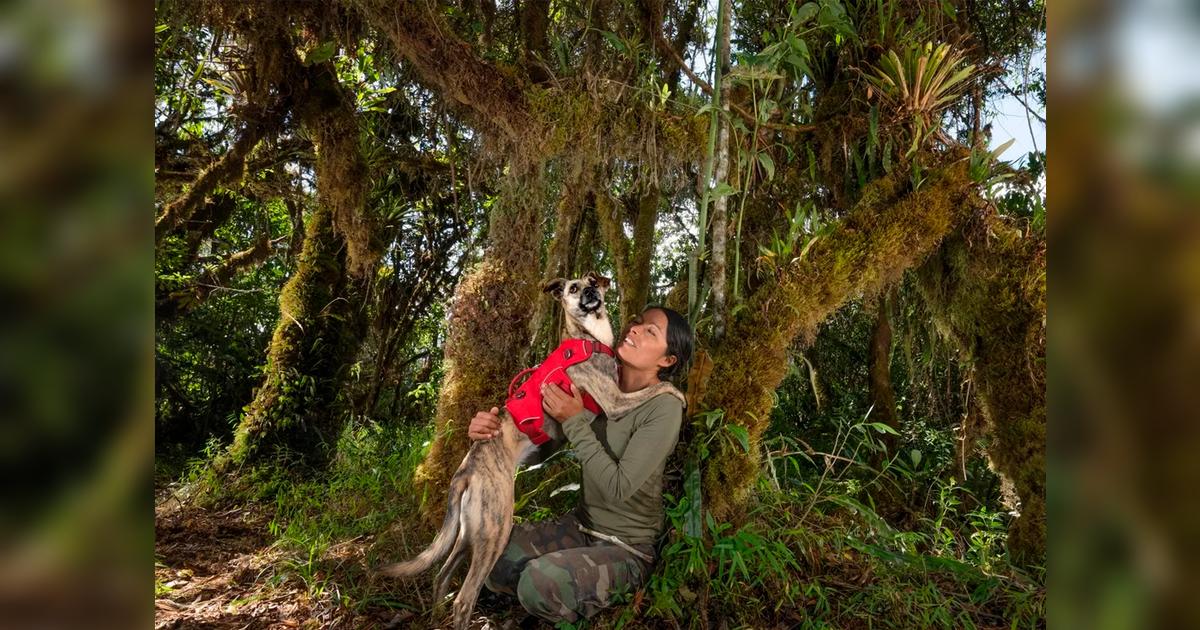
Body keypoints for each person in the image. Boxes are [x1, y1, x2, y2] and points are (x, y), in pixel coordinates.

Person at [466, 305, 694, 624]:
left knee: (538, 583)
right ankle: (545, 587)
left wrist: (574, 421)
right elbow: (540, 450)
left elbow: (618, 487)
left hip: (627, 548)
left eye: (650, 332)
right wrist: (494, 435)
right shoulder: (597, 380)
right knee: (492, 554)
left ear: (667, 360)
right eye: (638, 322)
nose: (635, 329)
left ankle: (567, 600)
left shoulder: (664, 406)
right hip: (581, 527)